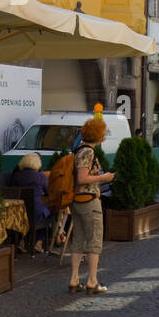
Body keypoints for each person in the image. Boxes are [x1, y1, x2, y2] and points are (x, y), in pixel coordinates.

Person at [67, 119, 115, 292]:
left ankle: (74, 279)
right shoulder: (88, 152)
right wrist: (104, 178)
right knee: (94, 241)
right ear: (98, 135)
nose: (105, 135)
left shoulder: (78, 149)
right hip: (89, 200)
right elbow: (82, 178)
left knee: (78, 239)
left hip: (77, 200)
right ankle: (92, 281)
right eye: (103, 132)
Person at [10, 153, 51, 252]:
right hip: (36, 212)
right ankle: (39, 242)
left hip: (19, 212)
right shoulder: (41, 176)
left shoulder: (16, 176)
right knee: (49, 214)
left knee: (30, 216)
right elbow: (49, 191)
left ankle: (21, 241)